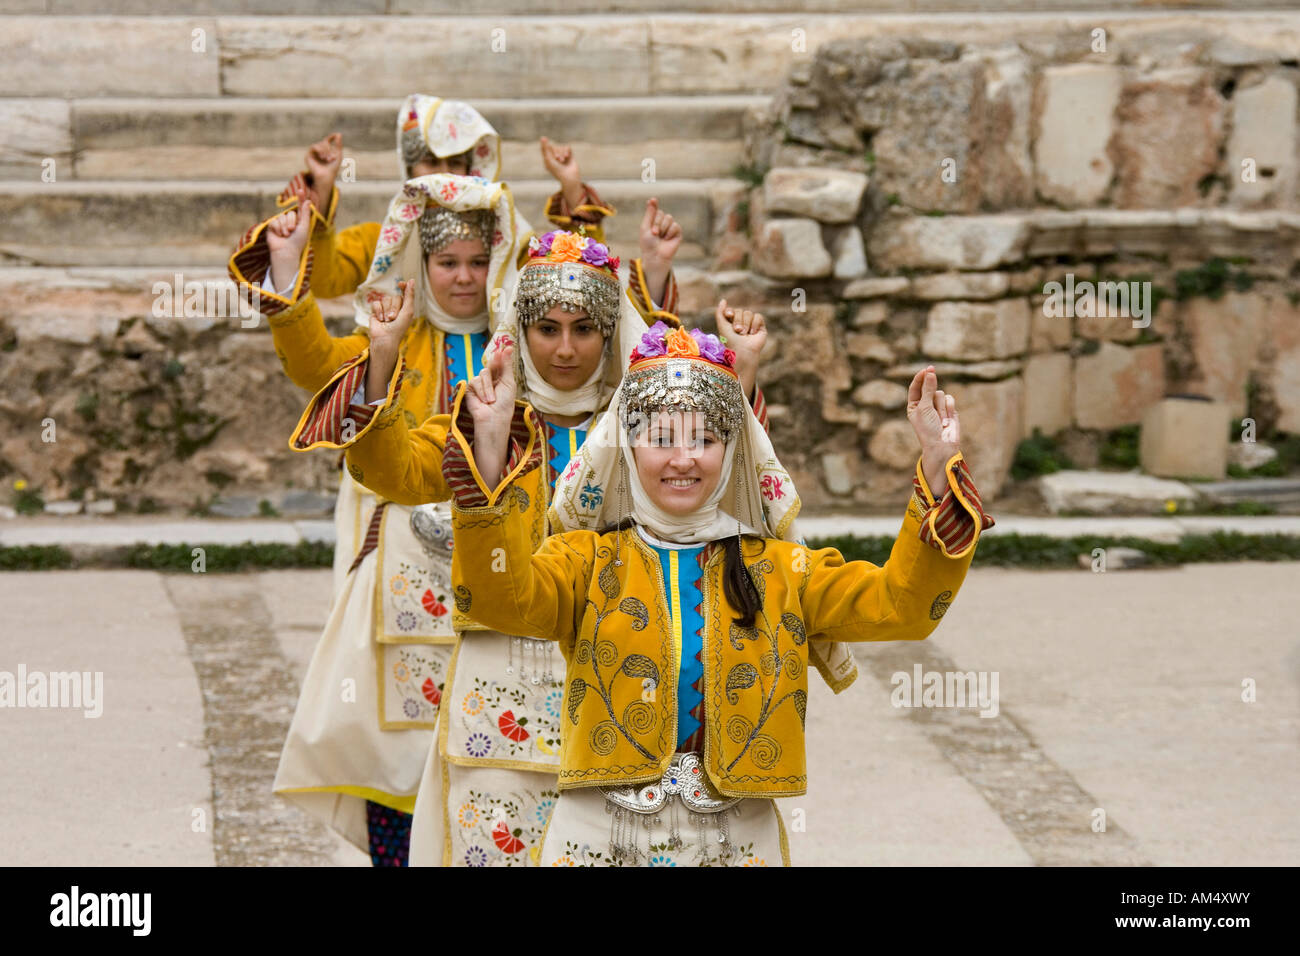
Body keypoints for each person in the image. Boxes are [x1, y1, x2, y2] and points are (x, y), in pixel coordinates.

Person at [437, 320, 995, 865]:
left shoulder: (784, 571)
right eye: (661, 439)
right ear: (628, 448)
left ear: (732, 451)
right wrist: (489, 450)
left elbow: (903, 608)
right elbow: (497, 602)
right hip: (596, 839)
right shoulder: (585, 561)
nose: (684, 460)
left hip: (737, 839)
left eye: (705, 438)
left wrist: (937, 473)